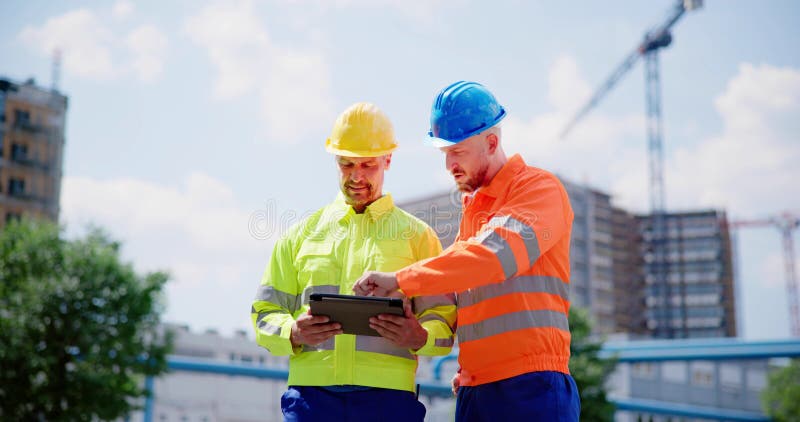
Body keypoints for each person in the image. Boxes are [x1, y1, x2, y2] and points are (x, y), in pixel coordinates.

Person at [353, 81, 581, 421]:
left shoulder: (539, 189)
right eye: (445, 154)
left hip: (532, 385)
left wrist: (400, 279)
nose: (449, 165)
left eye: (457, 152)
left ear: (491, 143)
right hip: (477, 388)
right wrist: (417, 328)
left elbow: (493, 256)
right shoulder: (473, 212)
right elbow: (468, 293)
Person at [251, 102, 457, 422]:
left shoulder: (420, 238)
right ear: (336, 160)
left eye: (367, 165)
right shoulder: (299, 236)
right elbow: (263, 314)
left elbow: (444, 321)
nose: (356, 176)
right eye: (347, 165)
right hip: (311, 400)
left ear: (388, 160)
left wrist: (420, 336)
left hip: (388, 401)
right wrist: (293, 332)